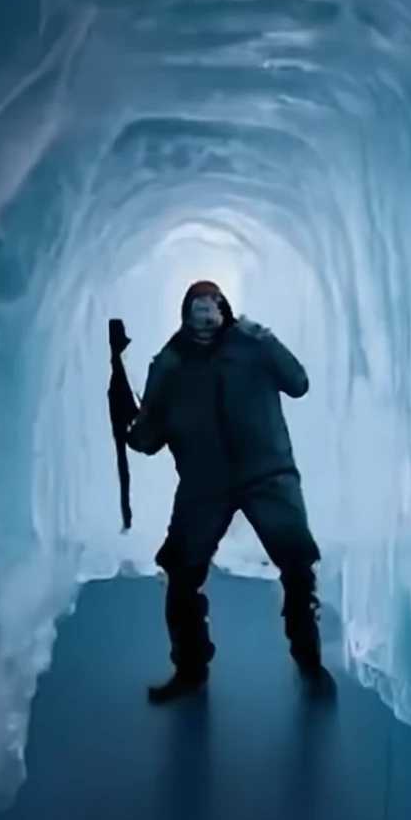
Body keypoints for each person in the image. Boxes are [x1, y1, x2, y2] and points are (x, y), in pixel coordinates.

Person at [126, 280, 333, 702]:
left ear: (225, 310)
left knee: (297, 565)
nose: (203, 316)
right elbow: (147, 438)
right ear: (184, 314)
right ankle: (189, 669)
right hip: (206, 484)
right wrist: (132, 423)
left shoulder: (252, 344)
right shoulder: (170, 364)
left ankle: (308, 659)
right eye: (195, 308)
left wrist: (267, 340)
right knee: (182, 572)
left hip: (267, 474)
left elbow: (298, 382)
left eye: (210, 307)